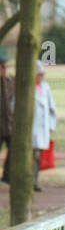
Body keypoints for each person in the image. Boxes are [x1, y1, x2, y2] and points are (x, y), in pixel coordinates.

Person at [29, 61, 56, 191]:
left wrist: (51, 125)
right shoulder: (27, 87)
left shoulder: (45, 87)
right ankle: (29, 181)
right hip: (31, 129)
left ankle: (34, 180)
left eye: (42, 74)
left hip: (42, 128)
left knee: (38, 157)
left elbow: (52, 108)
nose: (41, 77)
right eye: (39, 74)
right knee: (31, 156)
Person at [0, 48, 14, 184]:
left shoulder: (12, 81)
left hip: (10, 124)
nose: (4, 69)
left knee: (13, 152)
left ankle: (7, 176)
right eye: (2, 66)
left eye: (5, 66)